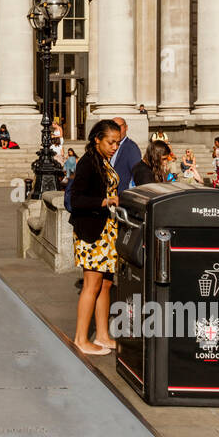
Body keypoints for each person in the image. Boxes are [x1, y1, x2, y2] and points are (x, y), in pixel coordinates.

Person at [70, 119, 122, 358]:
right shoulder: (88, 163)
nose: (114, 147)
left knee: (106, 283)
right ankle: (81, 338)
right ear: (97, 139)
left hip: (107, 230)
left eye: (117, 143)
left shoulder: (103, 161)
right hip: (92, 232)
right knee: (91, 284)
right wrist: (105, 201)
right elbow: (77, 199)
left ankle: (101, 334)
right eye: (110, 142)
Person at [110, 117, 141, 192]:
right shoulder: (108, 146)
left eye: (119, 127)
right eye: (113, 127)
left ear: (126, 127)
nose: (116, 130)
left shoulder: (131, 148)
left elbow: (137, 174)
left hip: (123, 194)